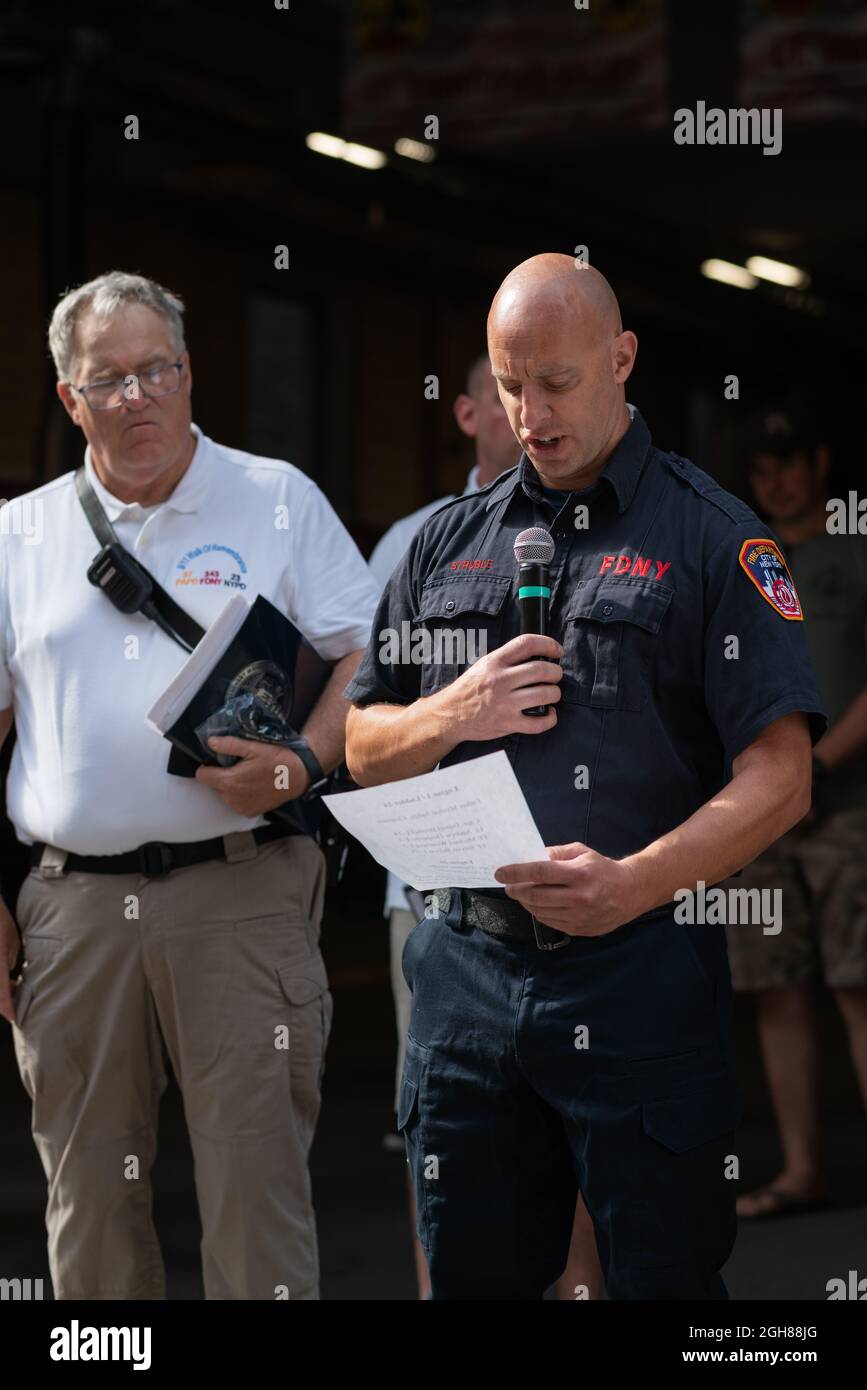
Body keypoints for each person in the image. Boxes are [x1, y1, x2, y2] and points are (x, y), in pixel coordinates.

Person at [342, 253, 826, 1300]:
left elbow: (783, 778)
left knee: (661, 1280)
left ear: (622, 358)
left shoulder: (715, 537)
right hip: (465, 971)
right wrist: (452, 710)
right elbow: (359, 742)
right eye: (511, 385)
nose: (530, 411)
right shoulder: (442, 543)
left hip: (639, 965)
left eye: (557, 382)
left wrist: (633, 884)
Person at [0, 270, 379, 1300]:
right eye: (107, 378)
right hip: (70, 908)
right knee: (87, 1203)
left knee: (256, 1196)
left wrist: (303, 758)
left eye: (155, 369)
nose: (137, 396)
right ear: (71, 398)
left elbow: (372, 653)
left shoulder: (277, 498)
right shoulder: (18, 536)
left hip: (244, 890)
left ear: (189, 373)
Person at [368, 353, 519, 1299]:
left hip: (575, 879)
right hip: (431, 891)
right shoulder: (413, 542)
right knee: (442, 1128)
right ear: (467, 412)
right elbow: (359, 716)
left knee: (580, 1118)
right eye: (506, 392)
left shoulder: (618, 528)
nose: (526, 411)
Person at [726, 405, 867, 1219]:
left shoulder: (854, 546)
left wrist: (813, 767)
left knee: (856, 984)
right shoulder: (747, 559)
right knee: (774, 989)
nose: (772, 481)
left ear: (819, 461)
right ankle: (802, 1169)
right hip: (761, 810)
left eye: (785, 462)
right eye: (758, 469)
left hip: (846, 806)